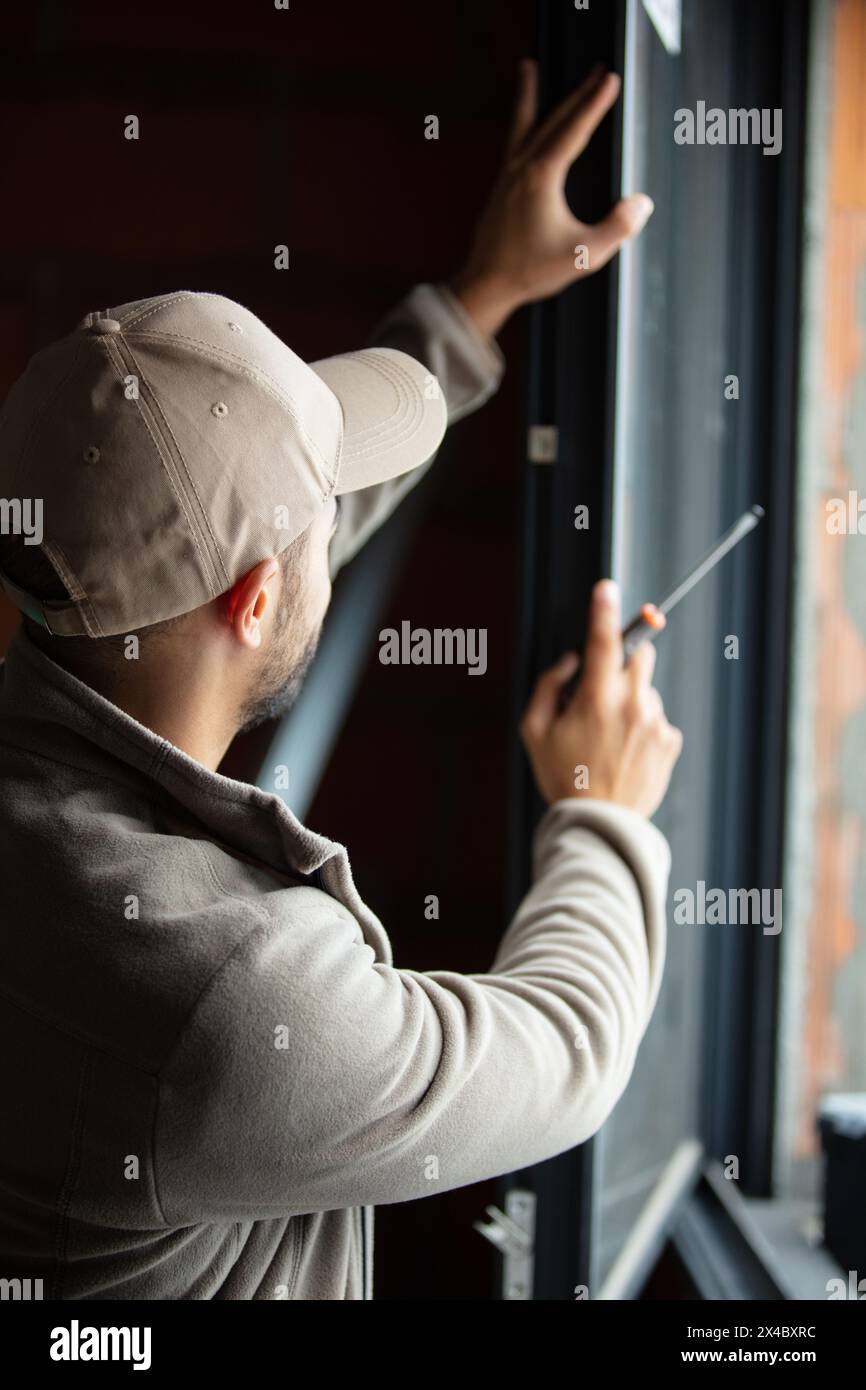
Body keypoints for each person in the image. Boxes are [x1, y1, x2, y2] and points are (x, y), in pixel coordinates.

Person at [0, 63, 680, 1299]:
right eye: (315, 521)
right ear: (255, 600)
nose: (334, 520)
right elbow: (571, 1052)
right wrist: (602, 812)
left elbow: (214, 556)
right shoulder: (218, 1003)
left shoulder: (63, 655)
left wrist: (479, 300)